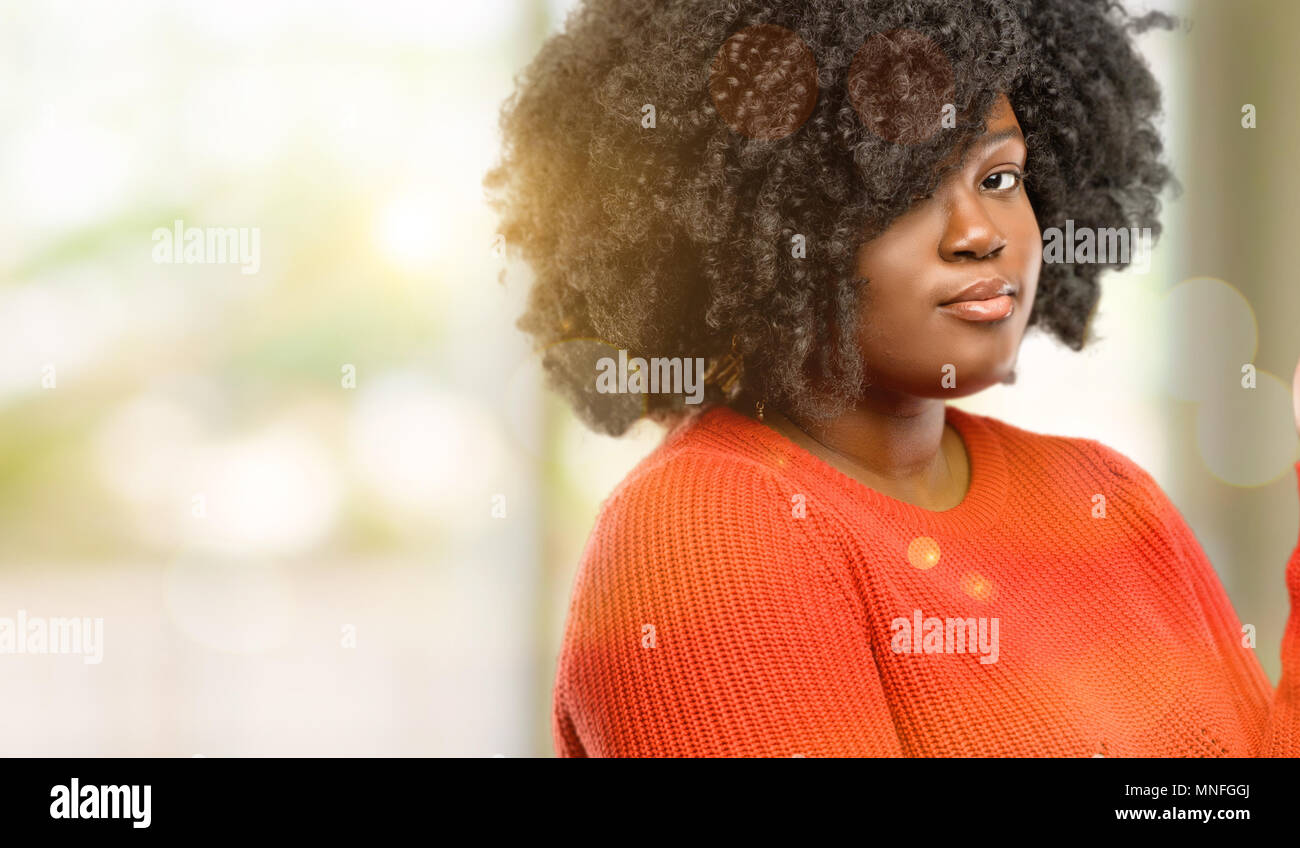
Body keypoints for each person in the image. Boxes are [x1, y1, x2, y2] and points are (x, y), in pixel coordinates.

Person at [485, 0, 1300, 756]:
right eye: (900, 189)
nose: (981, 233)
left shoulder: (1109, 495)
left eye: (999, 178)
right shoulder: (701, 531)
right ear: (759, 225)